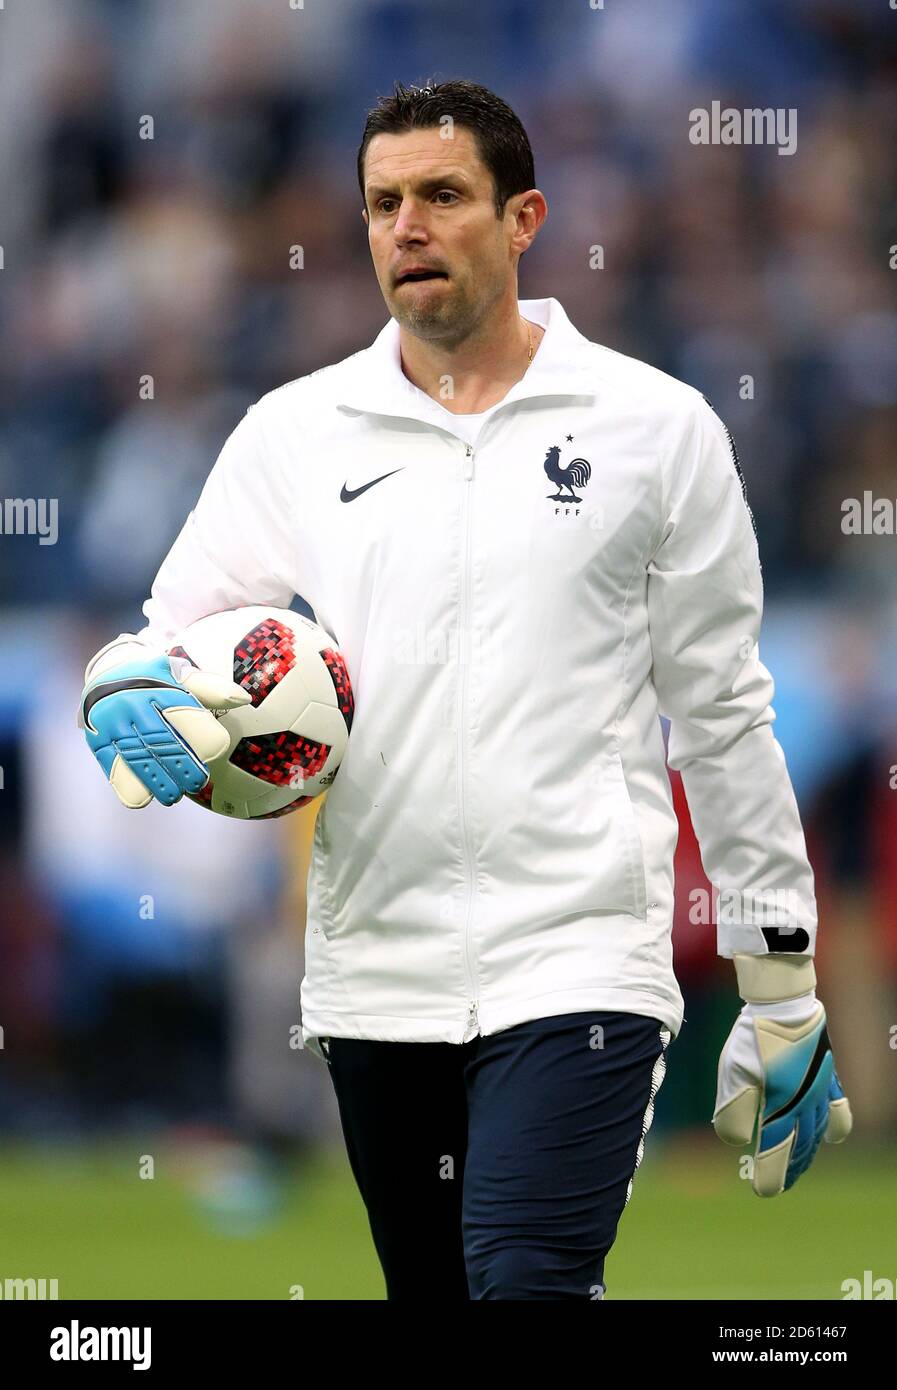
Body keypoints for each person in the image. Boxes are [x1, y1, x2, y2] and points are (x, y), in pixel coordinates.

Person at [78, 79, 852, 1300]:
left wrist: (781, 986)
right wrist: (120, 697)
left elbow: (723, 714)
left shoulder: (660, 428)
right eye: (383, 203)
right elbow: (161, 639)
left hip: (582, 959)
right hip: (376, 968)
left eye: (442, 196)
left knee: (529, 1280)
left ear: (526, 216)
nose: (408, 227)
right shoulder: (297, 431)